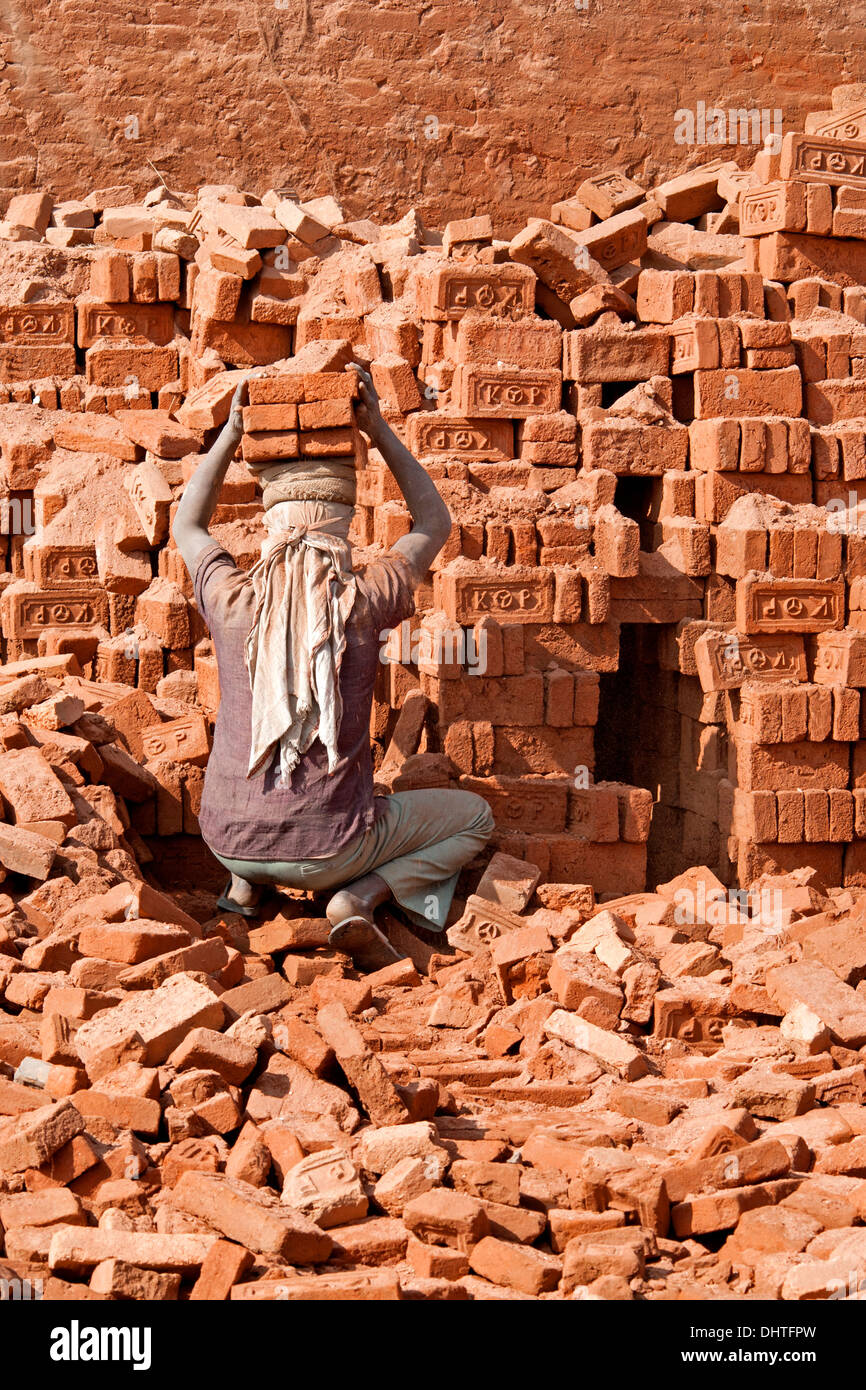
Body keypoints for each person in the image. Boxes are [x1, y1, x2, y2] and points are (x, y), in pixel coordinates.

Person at [172, 365, 494, 959]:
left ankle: (244, 887)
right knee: (473, 816)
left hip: (224, 836)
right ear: (341, 528)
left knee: (257, 767)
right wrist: (378, 430)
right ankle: (360, 898)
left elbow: (186, 523)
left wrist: (232, 432)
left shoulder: (231, 598)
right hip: (332, 853)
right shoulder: (365, 603)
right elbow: (435, 522)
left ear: (272, 528)